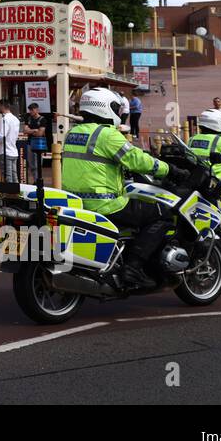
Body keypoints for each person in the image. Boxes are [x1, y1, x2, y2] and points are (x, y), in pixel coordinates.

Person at [61, 88, 188, 290]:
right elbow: (137, 160)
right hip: (106, 203)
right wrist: (170, 170)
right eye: (116, 108)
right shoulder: (106, 135)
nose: (119, 113)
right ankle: (133, 267)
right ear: (105, 108)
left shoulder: (72, 133)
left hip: (76, 202)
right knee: (161, 215)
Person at [22, 102, 50, 186]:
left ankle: (39, 181)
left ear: (37, 110)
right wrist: (34, 130)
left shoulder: (42, 119)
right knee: (31, 165)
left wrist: (30, 131)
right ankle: (35, 180)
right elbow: (24, 131)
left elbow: (40, 133)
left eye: (32, 110)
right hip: (30, 143)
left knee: (38, 164)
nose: (30, 111)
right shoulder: (28, 118)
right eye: (30, 110)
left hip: (39, 145)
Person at [0, 99, 21, 184]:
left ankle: (9, 195)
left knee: (7, 176)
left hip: (5, 151)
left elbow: (2, 136)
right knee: (14, 175)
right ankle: (16, 194)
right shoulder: (15, 119)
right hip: (13, 151)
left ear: (2, 106)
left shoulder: (4, 119)